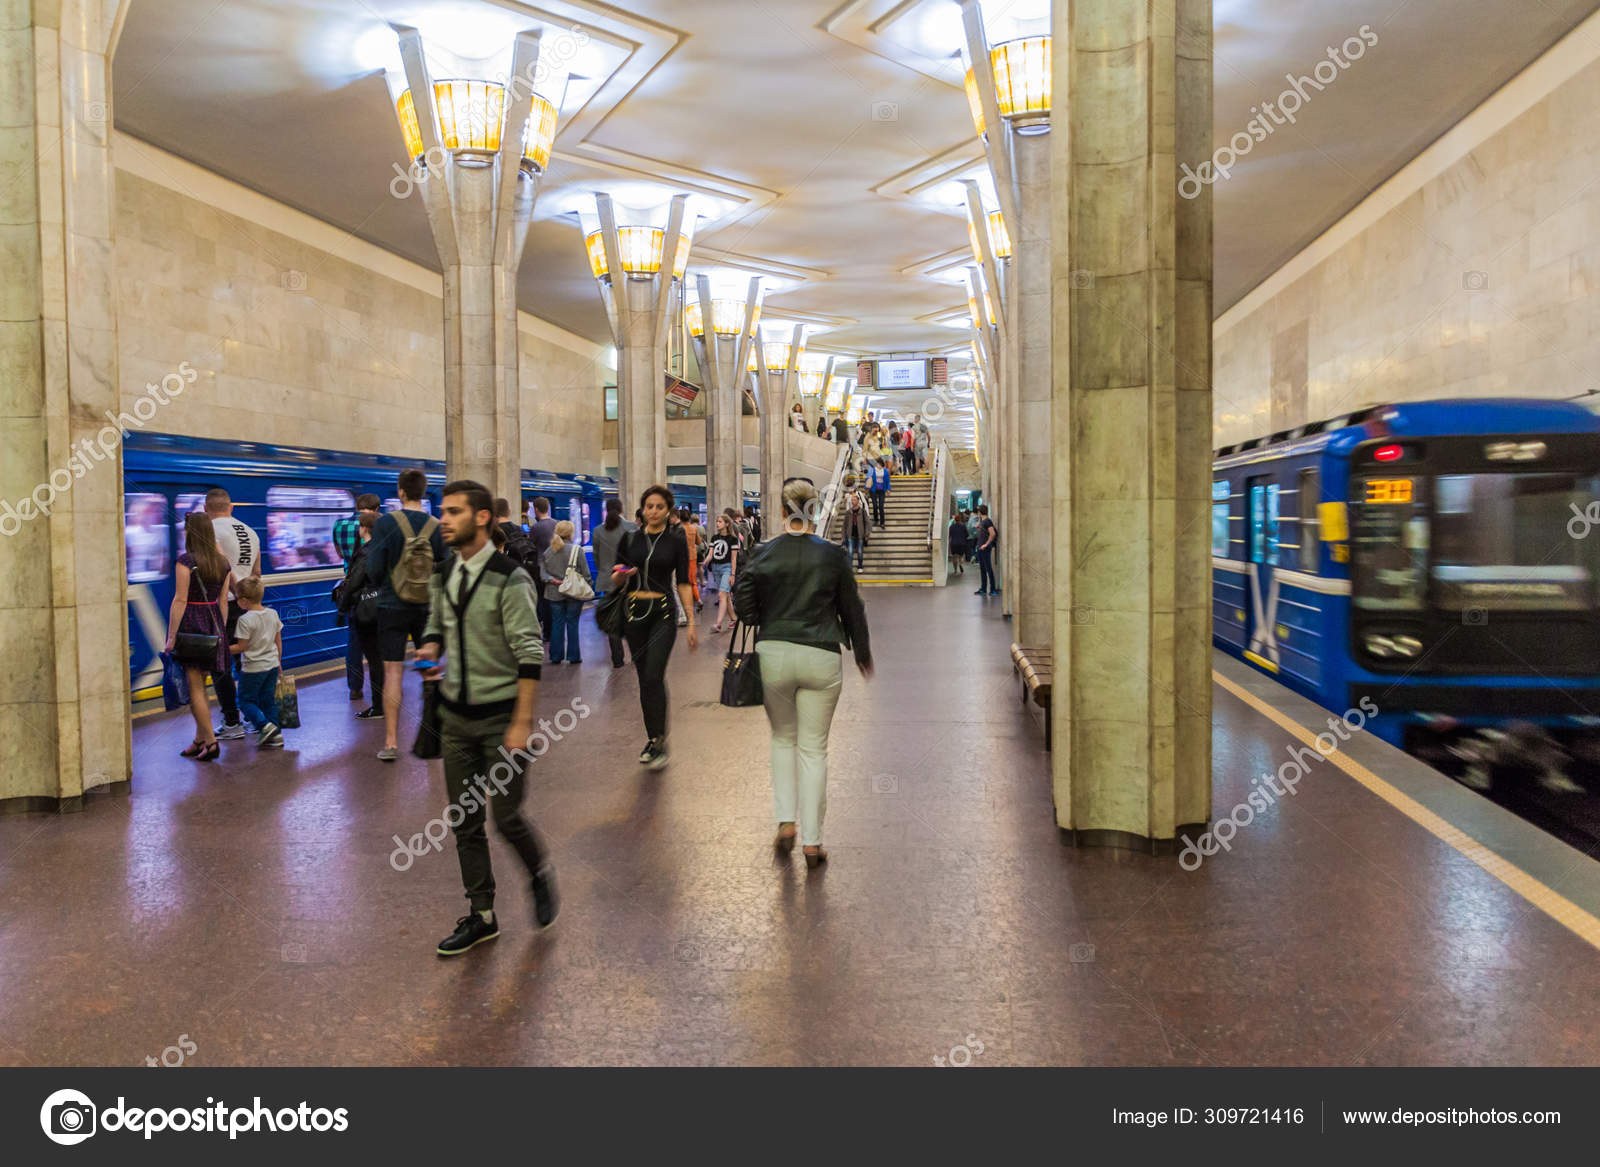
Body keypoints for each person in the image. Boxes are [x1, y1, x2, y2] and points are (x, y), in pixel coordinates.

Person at [416, 480, 556, 956]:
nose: (445, 520)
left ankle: (539, 872)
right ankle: (482, 915)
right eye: (443, 512)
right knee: (465, 821)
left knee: (507, 816)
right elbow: (436, 623)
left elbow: (529, 651)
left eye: (454, 512)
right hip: (455, 718)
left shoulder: (509, 577)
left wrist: (522, 722)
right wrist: (432, 644)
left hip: (501, 720)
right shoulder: (442, 574)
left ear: (481, 518)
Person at [734, 478, 872, 870]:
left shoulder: (762, 553)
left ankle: (786, 823)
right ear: (815, 512)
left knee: (782, 740)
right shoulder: (832, 555)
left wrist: (769, 619)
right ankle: (813, 844)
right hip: (821, 654)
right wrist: (862, 652)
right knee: (814, 750)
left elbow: (743, 606)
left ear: (780, 511)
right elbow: (852, 607)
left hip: (774, 652)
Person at [610, 484, 699, 769]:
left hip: (663, 614)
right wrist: (623, 576)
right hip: (634, 615)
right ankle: (653, 738)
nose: (654, 511)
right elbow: (615, 578)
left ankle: (659, 739)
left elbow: (684, 581)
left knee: (653, 674)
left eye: (660, 507)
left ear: (668, 510)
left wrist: (692, 621)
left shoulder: (676, 540)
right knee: (643, 679)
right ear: (643, 509)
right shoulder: (629, 540)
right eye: (649, 506)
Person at [367, 469, 449, 762]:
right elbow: (447, 567)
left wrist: (388, 584)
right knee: (429, 668)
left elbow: (374, 569)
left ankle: (391, 742)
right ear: (423, 493)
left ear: (400, 492)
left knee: (392, 672)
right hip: (427, 609)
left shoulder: (385, 523)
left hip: (392, 606)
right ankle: (430, 735)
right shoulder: (437, 526)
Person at [165, 512, 235, 762]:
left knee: (195, 687)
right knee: (202, 686)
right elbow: (223, 602)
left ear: (189, 532)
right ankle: (199, 739)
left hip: (192, 622)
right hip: (214, 622)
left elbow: (180, 599)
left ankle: (212, 743)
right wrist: (221, 633)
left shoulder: (185, 561)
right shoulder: (223, 562)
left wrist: (171, 636)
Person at [205, 488, 260, 740]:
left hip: (224, 603)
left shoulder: (211, 531)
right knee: (247, 660)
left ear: (207, 509)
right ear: (231, 507)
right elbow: (257, 573)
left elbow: (221, 566)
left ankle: (231, 721)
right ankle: (253, 714)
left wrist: (234, 589)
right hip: (248, 604)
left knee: (221, 664)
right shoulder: (250, 532)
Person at [336, 509, 386, 719]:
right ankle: (383, 704)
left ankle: (378, 706)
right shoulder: (386, 549)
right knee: (381, 659)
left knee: (374, 659)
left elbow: (355, 581)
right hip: (385, 608)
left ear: (363, 528)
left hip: (367, 611)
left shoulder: (366, 551)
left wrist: (342, 609)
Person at [229, 576, 286, 749]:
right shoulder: (273, 614)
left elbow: (242, 647)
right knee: (268, 700)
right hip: (272, 665)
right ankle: (276, 736)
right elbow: (278, 641)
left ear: (244, 601)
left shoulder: (245, 620)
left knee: (245, 701)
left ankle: (264, 726)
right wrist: (278, 662)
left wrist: (223, 648)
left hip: (253, 668)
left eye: (237, 598)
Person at [590, 498, 635, 669]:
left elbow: (596, 557)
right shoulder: (631, 527)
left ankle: (617, 659)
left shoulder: (598, 531)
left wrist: (605, 571)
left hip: (608, 580)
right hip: (629, 580)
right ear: (622, 509)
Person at [542, 519, 593, 665]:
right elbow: (586, 574)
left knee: (557, 624)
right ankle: (573, 656)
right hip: (574, 593)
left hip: (553, 592)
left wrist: (554, 580)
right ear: (571, 533)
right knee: (572, 623)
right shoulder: (577, 550)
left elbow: (543, 574)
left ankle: (556, 656)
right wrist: (587, 587)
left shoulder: (548, 551)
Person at [527, 496, 557, 643]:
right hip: (555, 568)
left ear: (536, 510)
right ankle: (556, 631)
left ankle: (547, 632)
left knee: (543, 601)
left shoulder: (536, 528)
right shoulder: (556, 524)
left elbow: (530, 546)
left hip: (540, 569)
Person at [706, 512, 741, 632]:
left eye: (720, 521)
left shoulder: (733, 539)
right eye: (717, 521)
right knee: (725, 597)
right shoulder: (714, 538)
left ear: (726, 524)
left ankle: (718, 624)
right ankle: (734, 619)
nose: (717, 523)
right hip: (716, 568)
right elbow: (710, 554)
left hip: (727, 568)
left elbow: (734, 559)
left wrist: (732, 574)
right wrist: (704, 562)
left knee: (721, 595)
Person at [841, 476, 870, 571]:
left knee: (860, 551)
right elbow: (846, 514)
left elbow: (865, 504)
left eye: (851, 487)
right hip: (851, 526)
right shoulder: (847, 496)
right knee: (850, 552)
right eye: (848, 487)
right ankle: (850, 568)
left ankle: (860, 566)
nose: (850, 489)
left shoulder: (859, 494)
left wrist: (867, 515)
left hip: (860, 522)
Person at [974, 504, 999, 596]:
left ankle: (992, 589)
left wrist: (986, 544)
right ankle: (983, 588)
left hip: (985, 548)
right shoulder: (983, 521)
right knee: (983, 569)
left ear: (980, 512)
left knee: (988, 569)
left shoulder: (987, 521)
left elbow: (992, 534)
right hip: (980, 548)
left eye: (978, 511)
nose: (977, 513)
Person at [867, 458, 891, 528]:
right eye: (877, 464)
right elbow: (867, 479)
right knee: (874, 505)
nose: (878, 466)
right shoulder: (872, 470)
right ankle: (876, 519)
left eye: (879, 464)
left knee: (881, 506)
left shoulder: (885, 471)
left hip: (882, 490)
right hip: (873, 489)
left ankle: (882, 522)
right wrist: (866, 488)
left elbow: (887, 481)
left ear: (882, 465)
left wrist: (888, 489)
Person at [948, 510, 970, 575]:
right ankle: (960, 564)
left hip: (954, 543)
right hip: (962, 543)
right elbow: (967, 535)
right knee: (961, 556)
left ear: (955, 520)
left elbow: (949, 535)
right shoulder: (963, 526)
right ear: (960, 520)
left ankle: (955, 570)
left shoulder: (951, 527)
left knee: (954, 557)